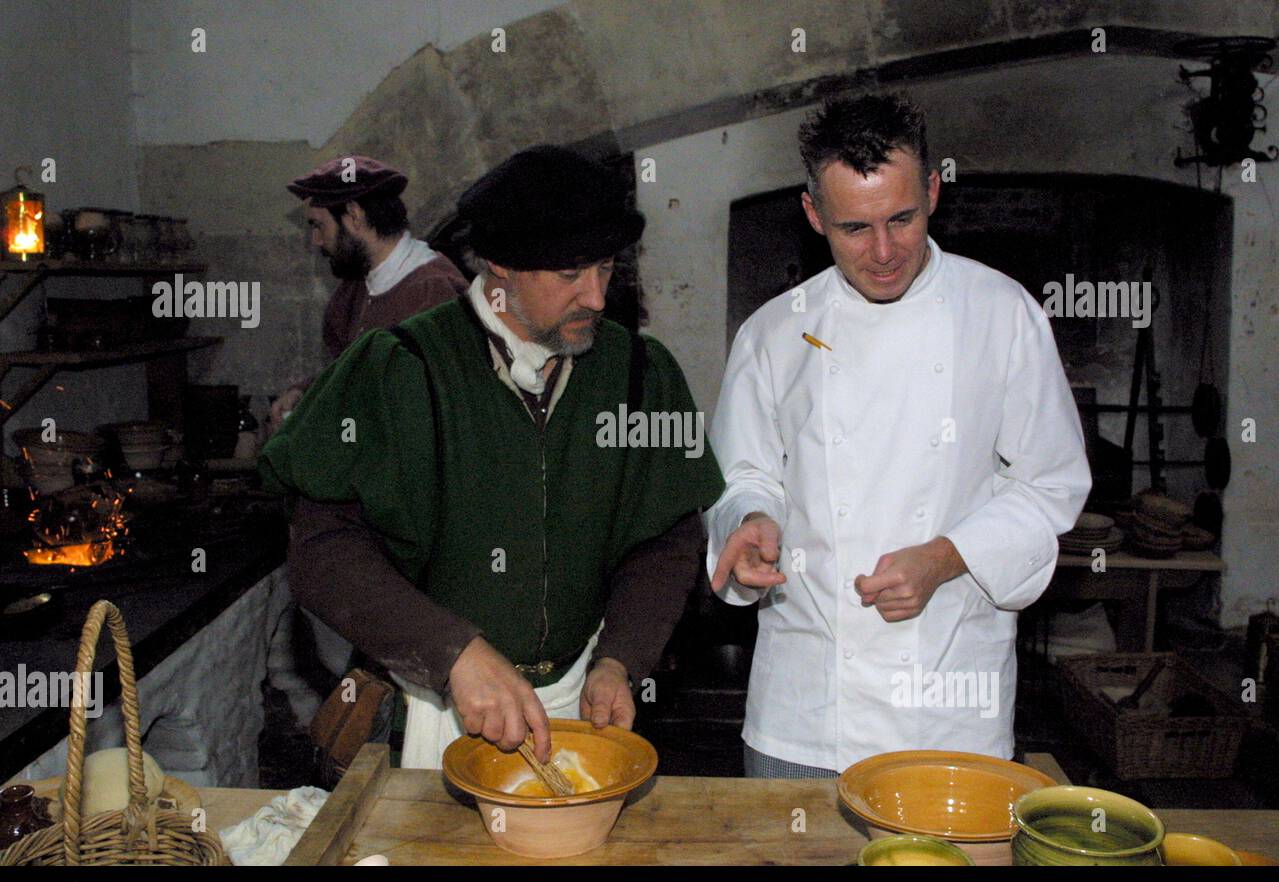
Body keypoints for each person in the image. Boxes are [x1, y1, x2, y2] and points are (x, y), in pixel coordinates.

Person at [259, 145, 724, 768]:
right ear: (499, 265)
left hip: (581, 701)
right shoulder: (399, 368)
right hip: (434, 707)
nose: (595, 297)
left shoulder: (640, 375)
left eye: (606, 269)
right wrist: (454, 652)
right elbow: (322, 551)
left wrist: (622, 658)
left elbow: (666, 536)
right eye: (569, 274)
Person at [707, 93, 1091, 777]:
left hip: (948, 705)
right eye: (855, 228)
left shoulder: (1002, 315)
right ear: (813, 214)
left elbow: (1052, 485)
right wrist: (752, 521)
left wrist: (944, 557)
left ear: (935, 192)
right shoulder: (773, 332)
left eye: (902, 219)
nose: (884, 253)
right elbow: (745, 477)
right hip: (805, 711)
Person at [269, 156, 467, 430]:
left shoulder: (434, 293)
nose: (316, 241)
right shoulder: (354, 288)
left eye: (318, 226)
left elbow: (434, 413)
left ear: (354, 216)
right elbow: (350, 372)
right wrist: (304, 392)